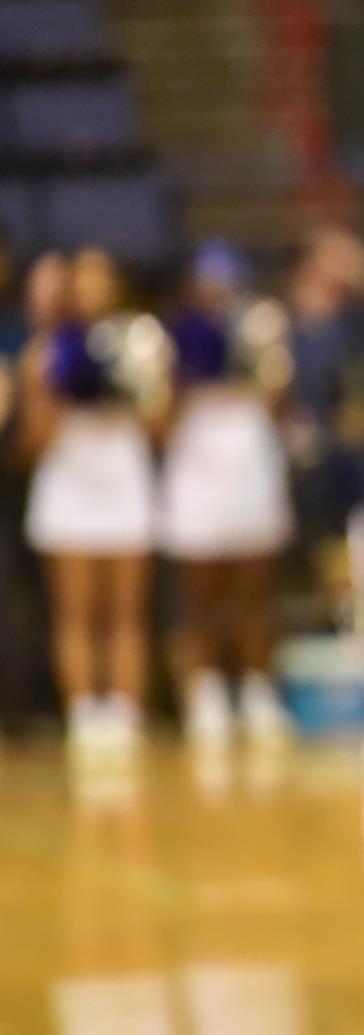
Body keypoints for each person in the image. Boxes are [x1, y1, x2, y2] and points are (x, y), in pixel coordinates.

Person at [21, 248, 168, 756]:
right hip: (70, 483)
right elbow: (31, 443)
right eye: (81, 278)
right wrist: (51, 389)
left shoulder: (141, 340)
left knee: (126, 611)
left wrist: (131, 387)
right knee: (75, 612)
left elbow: (161, 428)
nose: (90, 288)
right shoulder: (47, 348)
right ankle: (84, 716)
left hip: (124, 479)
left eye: (99, 277)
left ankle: (126, 714)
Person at [159, 239, 296, 747]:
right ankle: (205, 693)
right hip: (196, 463)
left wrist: (270, 363)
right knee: (200, 593)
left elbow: (282, 405)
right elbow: (161, 415)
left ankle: (258, 689)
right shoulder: (172, 335)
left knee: (253, 591)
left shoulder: (260, 327)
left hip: (250, 462)